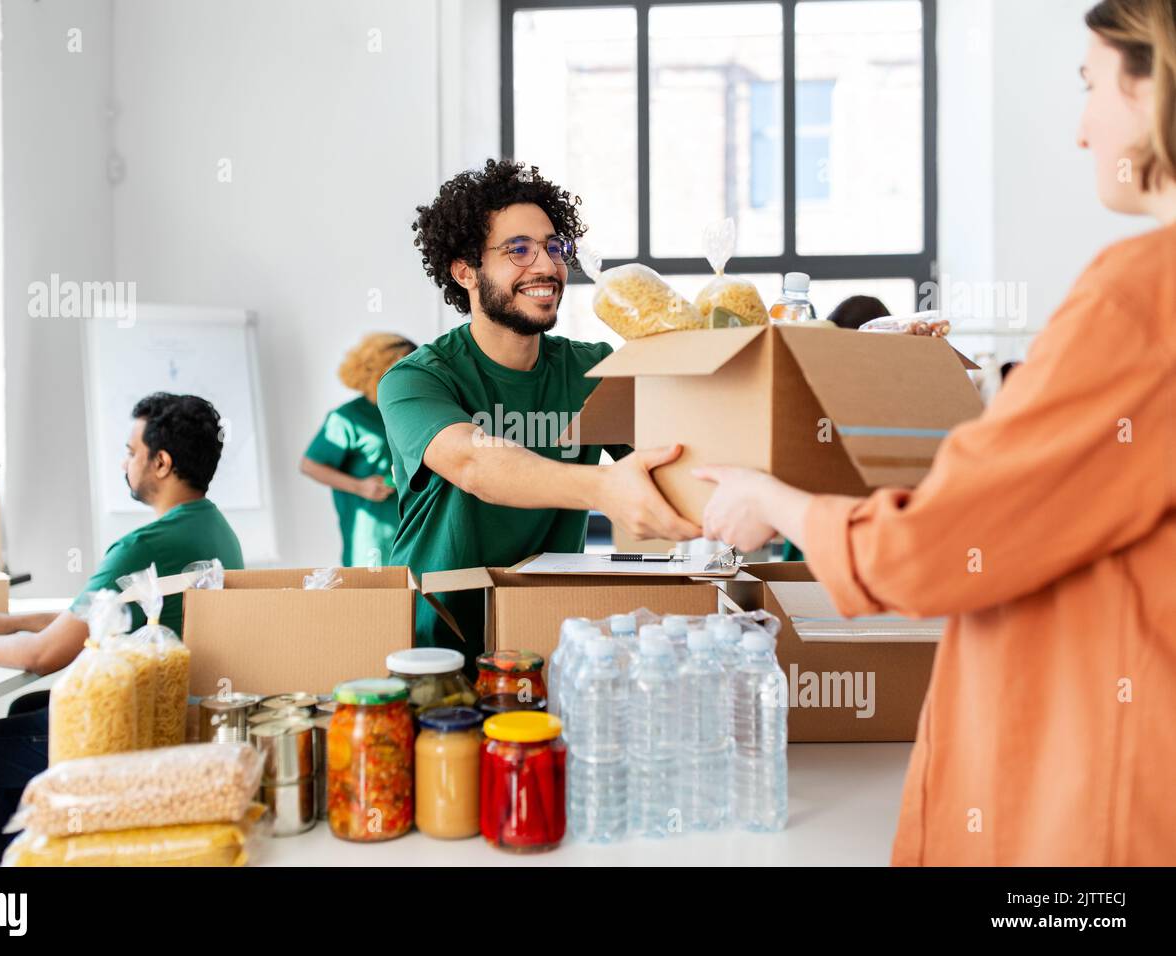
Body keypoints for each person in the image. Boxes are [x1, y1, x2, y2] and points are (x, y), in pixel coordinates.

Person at [692, 0, 1176, 866]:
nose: (1079, 130)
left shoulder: (1141, 298)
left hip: (1093, 806)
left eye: (1090, 84)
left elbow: (941, 547)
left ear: (1156, 86)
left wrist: (776, 501)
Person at [0, 392, 245, 866]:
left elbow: (43, 656)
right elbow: (104, 615)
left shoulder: (144, 543)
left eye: (130, 451)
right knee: (27, 705)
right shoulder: (212, 527)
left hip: (130, 729)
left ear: (160, 462)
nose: (124, 462)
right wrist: (10, 622)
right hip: (174, 709)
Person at [378, 159, 700, 663]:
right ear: (465, 270)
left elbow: (679, 461)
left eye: (554, 247)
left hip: (545, 635)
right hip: (435, 647)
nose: (547, 267)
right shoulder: (416, 379)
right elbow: (473, 464)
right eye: (518, 250)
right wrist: (603, 489)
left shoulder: (594, 369)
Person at [301, 333, 417, 566]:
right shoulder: (347, 418)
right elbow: (310, 465)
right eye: (408, 365)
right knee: (375, 598)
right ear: (382, 370)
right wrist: (360, 486)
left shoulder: (412, 409)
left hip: (412, 527)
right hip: (371, 534)